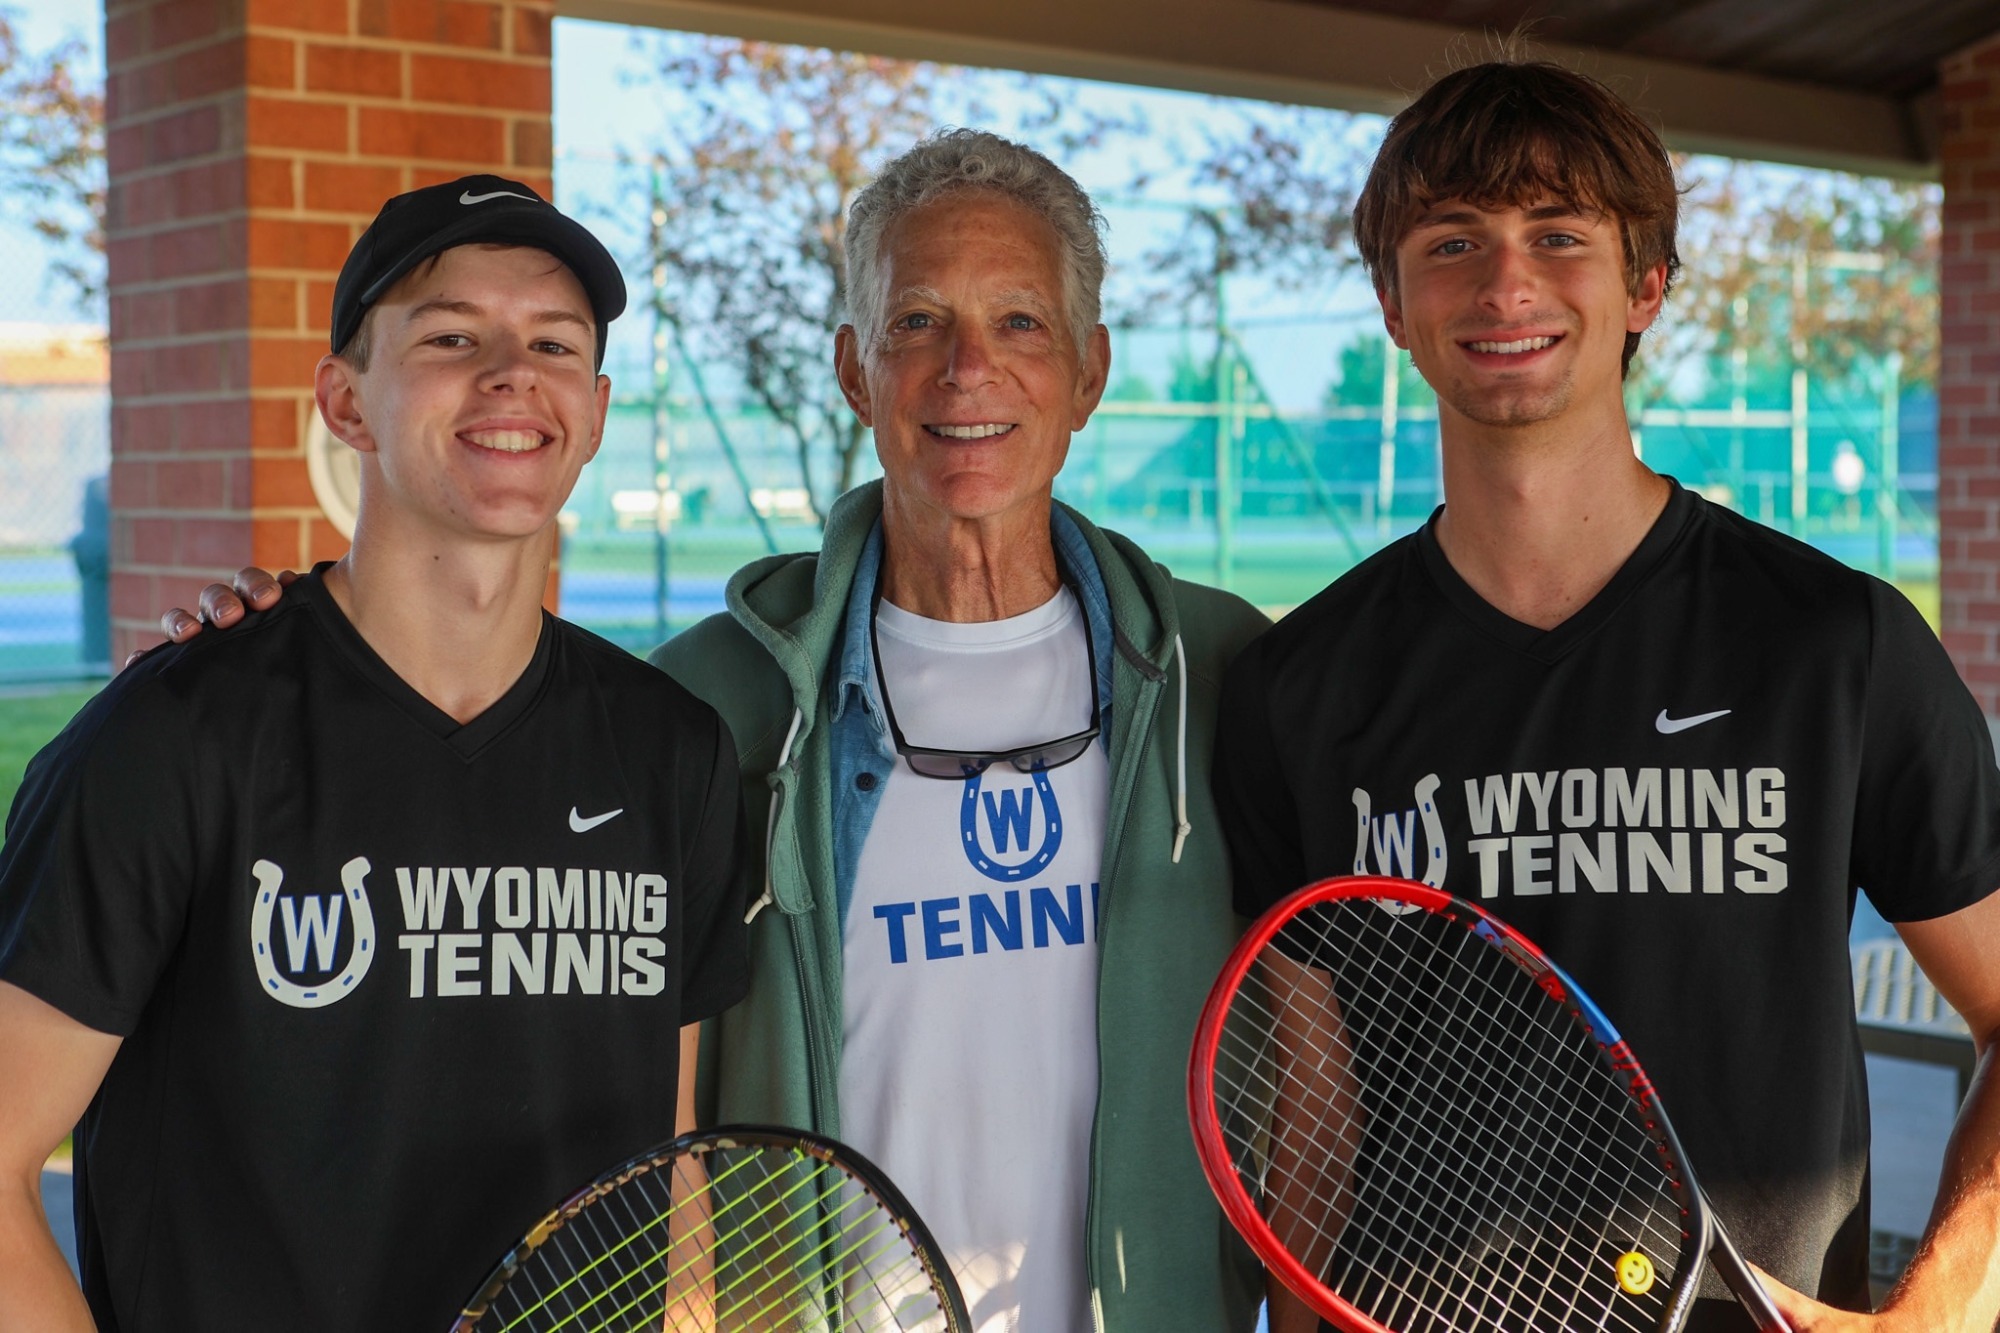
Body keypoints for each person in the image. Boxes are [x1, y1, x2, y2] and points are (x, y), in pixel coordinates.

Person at [172, 130, 1270, 1332]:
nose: (967, 369)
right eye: (914, 323)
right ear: (854, 370)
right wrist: (270, 646)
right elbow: (458, 787)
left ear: (1088, 369)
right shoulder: (699, 706)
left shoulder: (1225, 676)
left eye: (1019, 323)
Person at [1212, 60, 2000, 1333]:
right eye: (1452, 240)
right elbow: (1321, 1105)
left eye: (1557, 235)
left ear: (1644, 286)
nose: (1504, 282)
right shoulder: (1294, 688)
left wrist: (1940, 1309)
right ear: (1392, 305)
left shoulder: (1831, 645)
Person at [0, 176, 747, 1331]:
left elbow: (671, 1150)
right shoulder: (176, 736)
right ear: (345, 401)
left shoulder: (670, 748)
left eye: (552, 342)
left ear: (592, 413)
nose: (511, 372)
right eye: (451, 336)